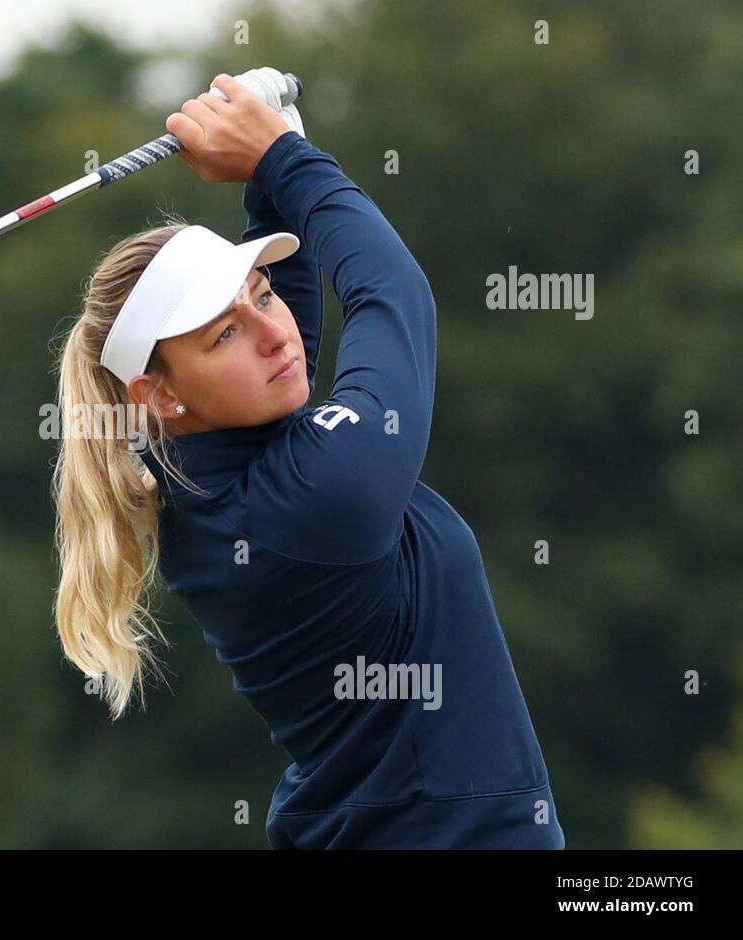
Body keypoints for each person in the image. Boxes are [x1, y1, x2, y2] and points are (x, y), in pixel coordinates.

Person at [51, 73, 564, 849]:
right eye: (222, 334)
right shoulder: (310, 503)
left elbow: (289, 352)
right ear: (157, 392)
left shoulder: (211, 472)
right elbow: (396, 296)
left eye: (260, 293)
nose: (271, 333)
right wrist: (284, 157)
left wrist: (267, 168)